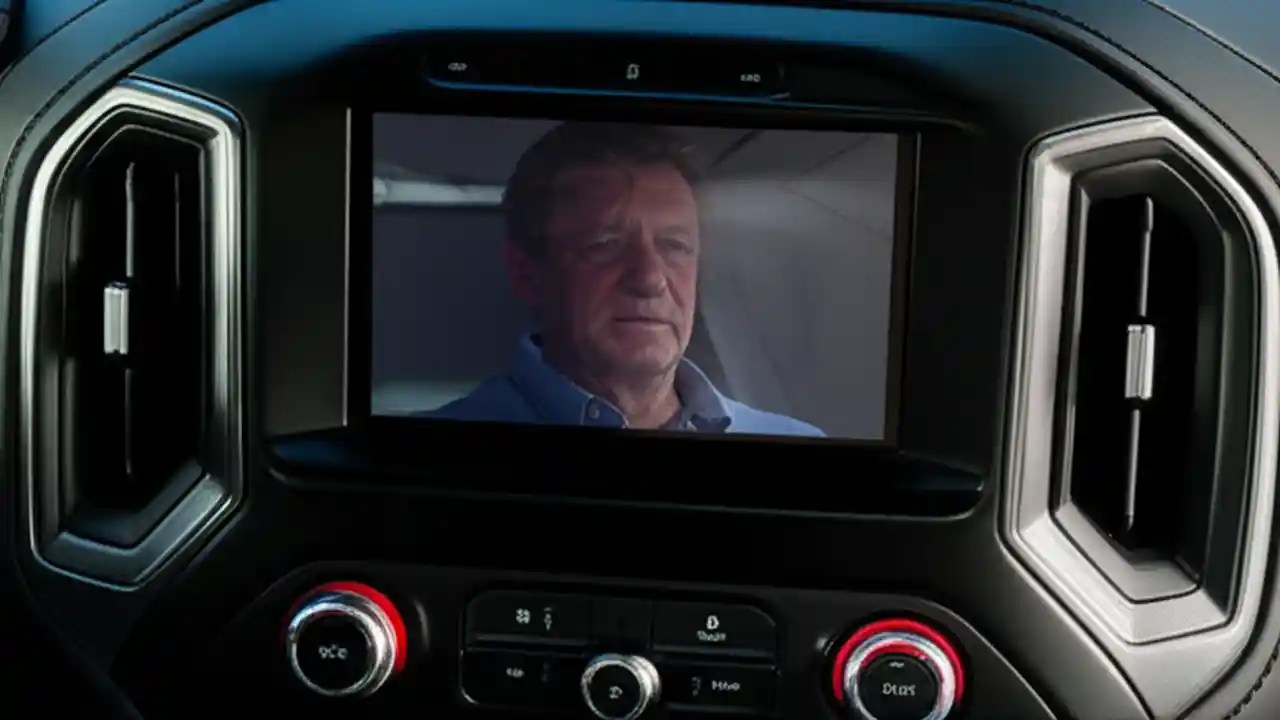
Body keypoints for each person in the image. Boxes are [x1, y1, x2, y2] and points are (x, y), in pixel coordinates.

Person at [427, 122, 824, 436]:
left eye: (674, 246)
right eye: (606, 243)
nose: (650, 279)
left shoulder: (802, 449)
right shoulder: (428, 454)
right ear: (527, 273)